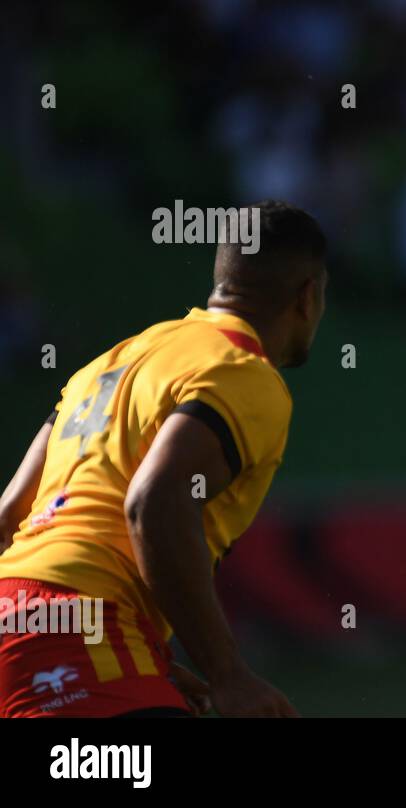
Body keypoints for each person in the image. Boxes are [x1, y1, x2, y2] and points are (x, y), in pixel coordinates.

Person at [0, 201, 327, 717]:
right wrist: (228, 675)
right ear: (309, 296)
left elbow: (9, 515)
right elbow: (154, 501)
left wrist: (144, 655)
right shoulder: (243, 372)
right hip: (85, 626)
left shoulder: (112, 360)